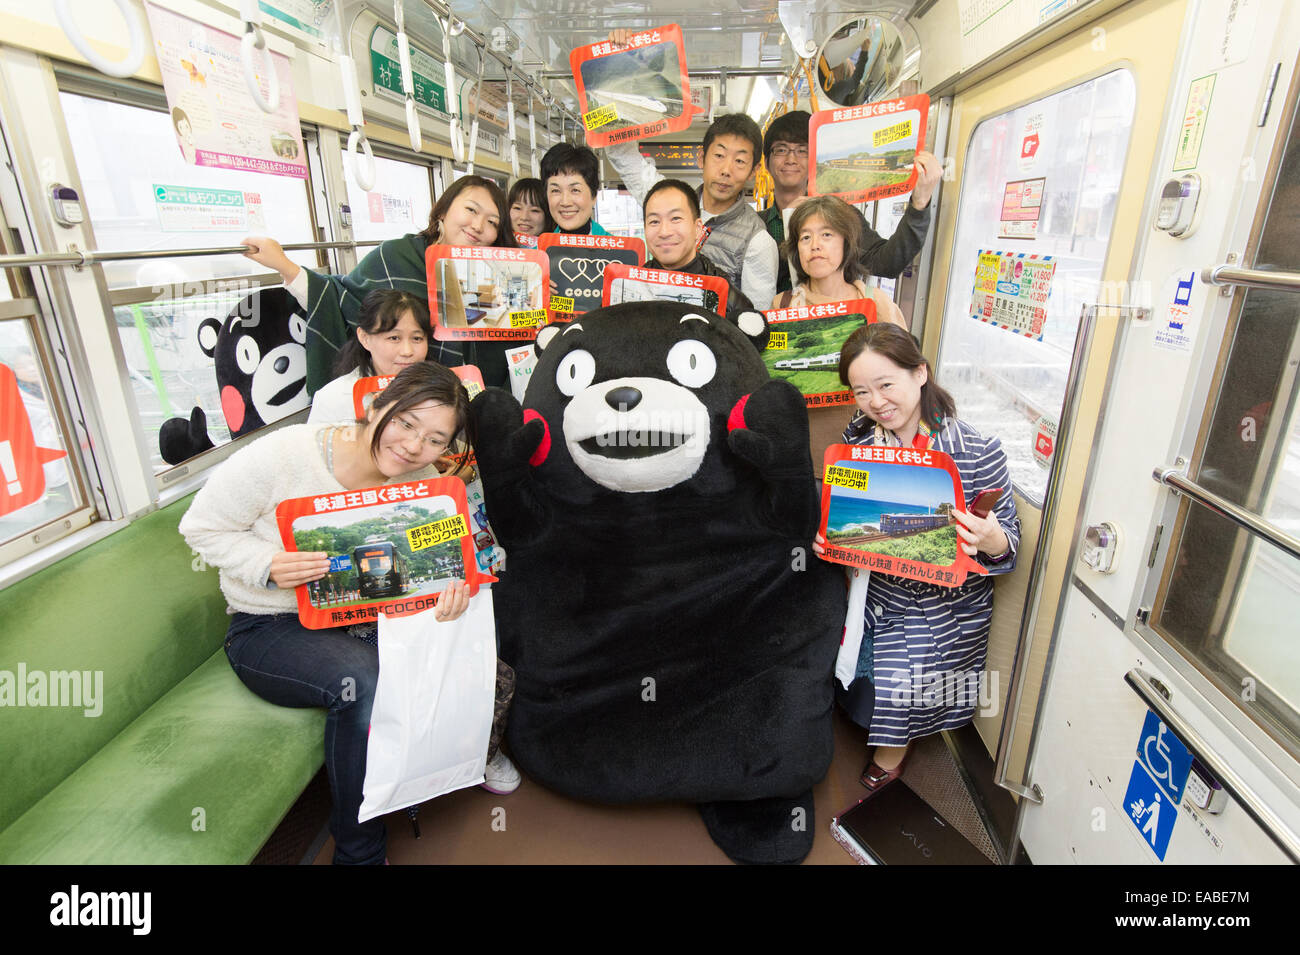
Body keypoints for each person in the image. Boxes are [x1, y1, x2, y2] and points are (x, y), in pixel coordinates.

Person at [179, 363, 521, 865]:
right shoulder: (284, 454)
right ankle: (359, 852)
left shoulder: (424, 483)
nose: (412, 446)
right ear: (375, 406)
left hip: (368, 618)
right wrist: (268, 565)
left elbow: (437, 564)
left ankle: (448, 770)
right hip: (269, 624)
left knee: (487, 669)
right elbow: (201, 527)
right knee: (362, 680)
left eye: (433, 439)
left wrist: (450, 591)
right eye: (405, 422)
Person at [814, 324, 1019, 791]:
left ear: (920, 373)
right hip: (875, 586)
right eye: (861, 391)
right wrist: (830, 542)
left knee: (906, 677)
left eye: (886, 385)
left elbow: (1011, 544)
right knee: (851, 671)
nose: (876, 402)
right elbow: (844, 514)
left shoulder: (975, 451)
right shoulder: (859, 443)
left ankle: (892, 752)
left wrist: (990, 539)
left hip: (943, 603)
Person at [241, 175, 517, 393]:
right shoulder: (396, 256)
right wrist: (284, 265)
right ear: (442, 211)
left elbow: (510, 343)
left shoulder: (494, 278)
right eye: (471, 210)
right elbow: (343, 298)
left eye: (492, 222)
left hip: (467, 400)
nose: (479, 226)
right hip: (397, 398)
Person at [602, 30, 779, 308]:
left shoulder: (757, 241)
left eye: (740, 161)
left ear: (755, 170)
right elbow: (619, 151)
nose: (726, 170)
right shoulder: (667, 198)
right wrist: (621, 59)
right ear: (701, 158)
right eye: (719, 156)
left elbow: (755, 321)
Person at [760, 109, 941, 294]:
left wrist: (919, 204)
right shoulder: (755, 224)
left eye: (802, 150)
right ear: (766, 162)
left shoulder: (840, 217)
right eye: (781, 150)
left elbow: (888, 263)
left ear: (815, 159)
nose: (791, 159)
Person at [774, 194, 906, 328]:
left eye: (826, 235)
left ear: (847, 243)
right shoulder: (782, 305)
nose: (815, 245)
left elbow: (902, 348)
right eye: (806, 237)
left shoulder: (876, 302)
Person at [307, 289, 429, 424]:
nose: (407, 351)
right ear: (364, 338)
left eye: (417, 338)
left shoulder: (442, 392)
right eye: (394, 338)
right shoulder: (333, 398)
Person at [641, 178, 754, 321]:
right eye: (654, 221)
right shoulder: (628, 287)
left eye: (675, 218)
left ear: (698, 228)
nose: (664, 232)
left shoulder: (729, 299)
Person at [539, 143, 609, 235]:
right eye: (555, 190)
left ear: (594, 196)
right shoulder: (538, 249)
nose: (565, 202)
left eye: (575, 190)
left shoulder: (618, 249)